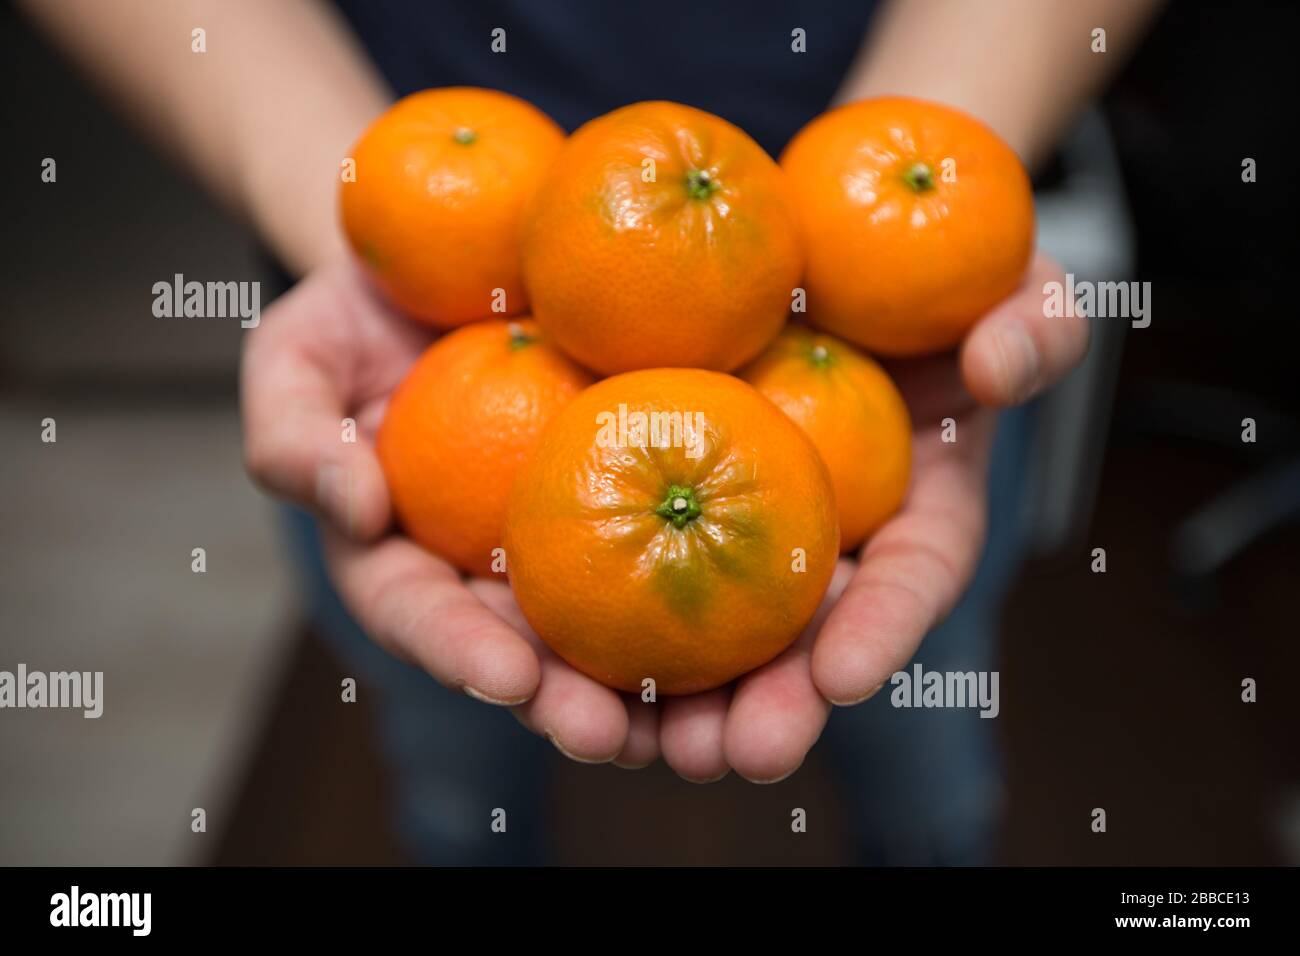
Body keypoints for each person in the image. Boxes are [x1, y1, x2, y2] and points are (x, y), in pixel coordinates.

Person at [23, 0, 1159, 863]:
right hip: (421, 323)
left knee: (926, 757)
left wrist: (940, 194)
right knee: (458, 769)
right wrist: (347, 218)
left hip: (895, 375)